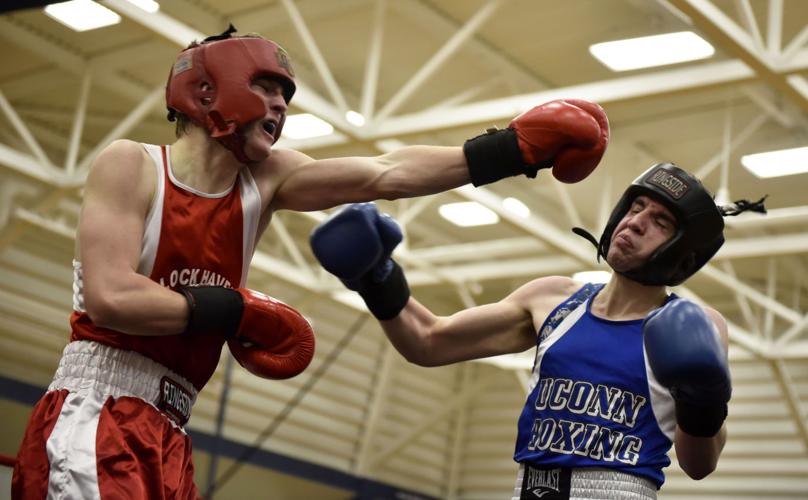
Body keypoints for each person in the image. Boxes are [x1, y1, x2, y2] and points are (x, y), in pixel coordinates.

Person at [10, 24, 610, 499]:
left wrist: (509, 148)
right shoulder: (133, 164)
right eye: (268, 88)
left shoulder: (266, 179)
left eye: (285, 96)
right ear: (209, 87)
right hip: (100, 407)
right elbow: (111, 297)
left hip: (171, 427)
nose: (279, 105)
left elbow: (386, 173)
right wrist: (240, 311)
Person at [310, 162, 766, 499]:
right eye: (637, 207)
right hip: (527, 489)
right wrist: (378, 279)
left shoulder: (696, 325)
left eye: (660, 221)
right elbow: (429, 341)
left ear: (682, 252)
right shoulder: (553, 298)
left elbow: (699, 464)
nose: (636, 222)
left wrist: (703, 401)